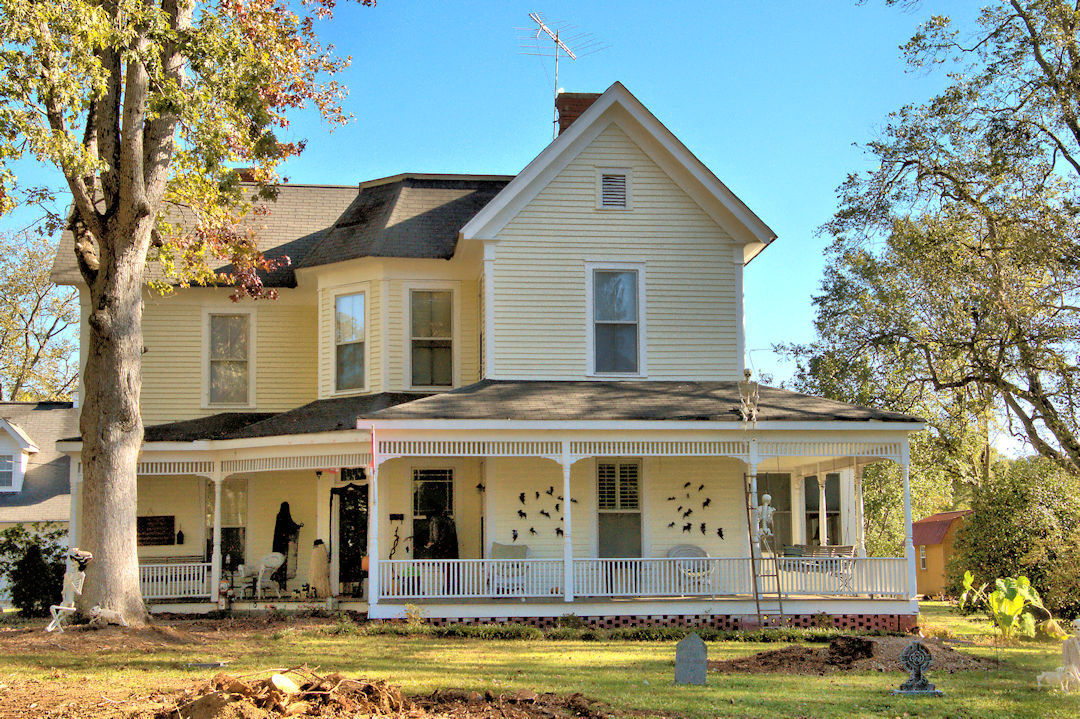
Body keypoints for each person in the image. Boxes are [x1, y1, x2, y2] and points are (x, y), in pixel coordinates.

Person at [271, 501, 303, 588]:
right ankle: (281, 582)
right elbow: (290, 525)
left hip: (278, 543)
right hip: (283, 544)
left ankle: (281, 582)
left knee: (280, 562)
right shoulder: (284, 517)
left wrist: (297, 526)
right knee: (282, 562)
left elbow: (290, 524)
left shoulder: (280, 516)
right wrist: (298, 527)